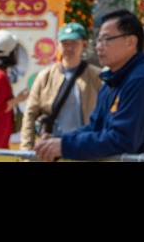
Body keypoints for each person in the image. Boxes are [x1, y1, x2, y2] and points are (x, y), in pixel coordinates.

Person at [34, 10, 144, 161]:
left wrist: (64, 146)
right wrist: (59, 140)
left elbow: (123, 139)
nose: (99, 47)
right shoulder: (111, 81)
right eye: (98, 40)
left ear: (130, 42)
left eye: (106, 39)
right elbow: (95, 128)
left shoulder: (141, 80)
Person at [19, 22, 101, 150]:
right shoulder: (45, 76)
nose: (69, 48)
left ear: (84, 44)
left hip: (84, 148)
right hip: (51, 149)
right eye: (65, 43)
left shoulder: (96, 76)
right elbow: (30, 114)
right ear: (58, 45)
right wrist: (26, 150)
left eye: (74, 43)